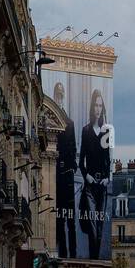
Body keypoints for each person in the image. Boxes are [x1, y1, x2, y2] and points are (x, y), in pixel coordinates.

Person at [78, 88, 112, 259]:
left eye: (100, 105)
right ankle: (93, 259)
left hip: (102, 185)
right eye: (95, 105)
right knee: (92, 222)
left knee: (100, 224)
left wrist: (107, 177)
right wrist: (86, 175)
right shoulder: (85, 130)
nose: (97, 109)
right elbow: (81, 160)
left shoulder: (107, 131)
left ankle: (97, 260)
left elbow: (108, 159)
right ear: (92, 108)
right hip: (91, 184)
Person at [53, 82, 77, 259]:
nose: (60, 97)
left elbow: (73, 148)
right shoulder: (48, 116)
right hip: (55, 174)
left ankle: (72, 253)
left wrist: (71, 167)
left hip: (67, 174)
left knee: (70, 218)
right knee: (58, 217)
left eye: (62, 94)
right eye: (58, 94)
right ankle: (61, 252)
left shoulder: (70, 121)